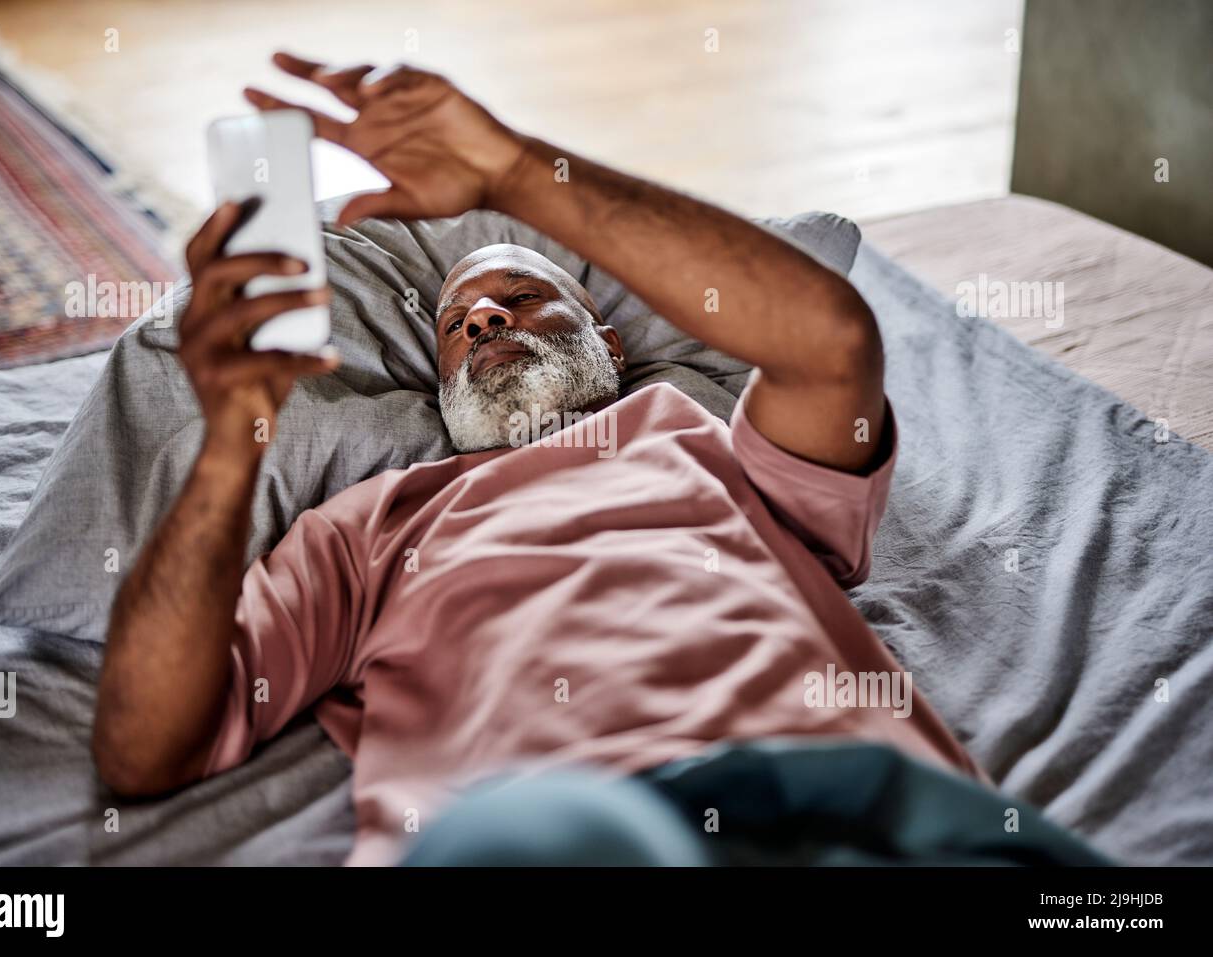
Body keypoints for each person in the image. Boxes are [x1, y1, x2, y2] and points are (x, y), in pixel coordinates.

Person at [93, 53, 984, 866]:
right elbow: (144, 747)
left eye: (520, 298)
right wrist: (226, 442)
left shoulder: (706, 441)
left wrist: (518, 172)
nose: (485, 320)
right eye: (457, 325)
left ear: (607, 341)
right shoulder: (365, 529)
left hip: (844, 816)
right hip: (547, 838)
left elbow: (830, 343)